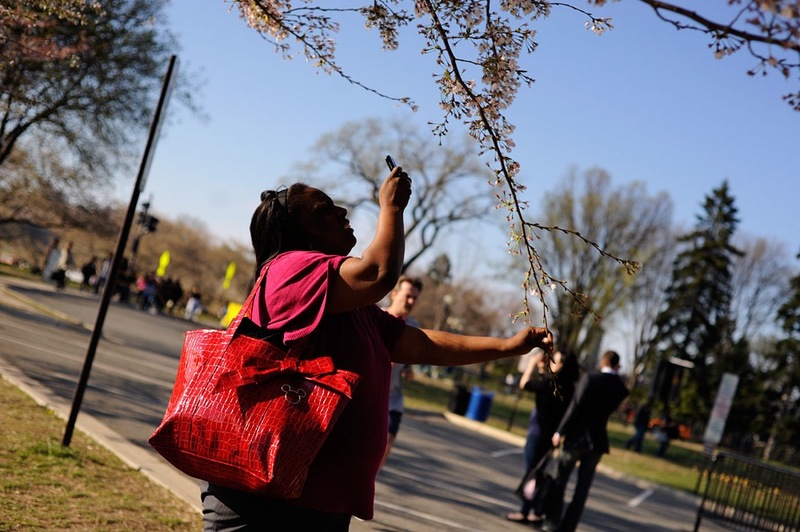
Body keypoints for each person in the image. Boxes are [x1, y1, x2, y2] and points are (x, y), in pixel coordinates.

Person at [200, 166, 553, 531]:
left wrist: (508, 346)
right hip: (263, 500)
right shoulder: (290, 268)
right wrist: (392, 208)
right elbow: (378, 273)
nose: (342, 213)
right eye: (325, 210)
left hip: (315, 499)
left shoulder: (354, 307)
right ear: (300, 233)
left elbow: (420, 344)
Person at [539, 350, 629, 532]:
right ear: (616, 365)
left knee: (560, 479)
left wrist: (560, 431)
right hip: (597, 440)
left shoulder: (589, 379)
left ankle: (552, 521)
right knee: (582, 490)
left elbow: (575, 406)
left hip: (576, 436)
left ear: (603, 361)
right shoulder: (620, 388)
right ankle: (568, 527)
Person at [506, 349, 580, 526]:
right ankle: (537, 512)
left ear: (561, 365)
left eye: (554, 360)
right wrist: (542, 369)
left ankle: (527, 512)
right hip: (550, 437)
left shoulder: (550, 384)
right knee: (538, 473)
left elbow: (525, 384)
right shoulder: (568, 387)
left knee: (532, 473)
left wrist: (531, 364)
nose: (551, 362)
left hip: (538, 434)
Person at [380, 274, 424, 469]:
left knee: (386, 444)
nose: (411, 301)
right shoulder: (376, 317)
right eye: (407, 295)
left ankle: (368, 483)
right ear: (394, 294)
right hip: (367, 394)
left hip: (393, 400)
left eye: (414, 297)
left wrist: (407, 368)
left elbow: (407, 357)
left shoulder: (414, 327)